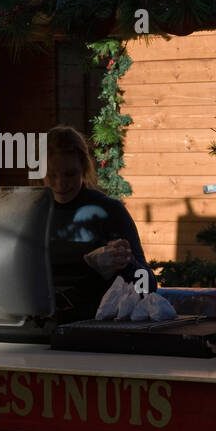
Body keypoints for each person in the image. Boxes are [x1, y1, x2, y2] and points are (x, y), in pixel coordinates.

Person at [43, 124, 156, 322]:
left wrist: (126, 263)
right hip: (36, 324)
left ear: (84, 169)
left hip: (95, 326)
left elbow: (148, 285)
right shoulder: (30, 211)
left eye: (70, 174)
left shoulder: (110, 211)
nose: (60, 184)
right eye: (52, 175)